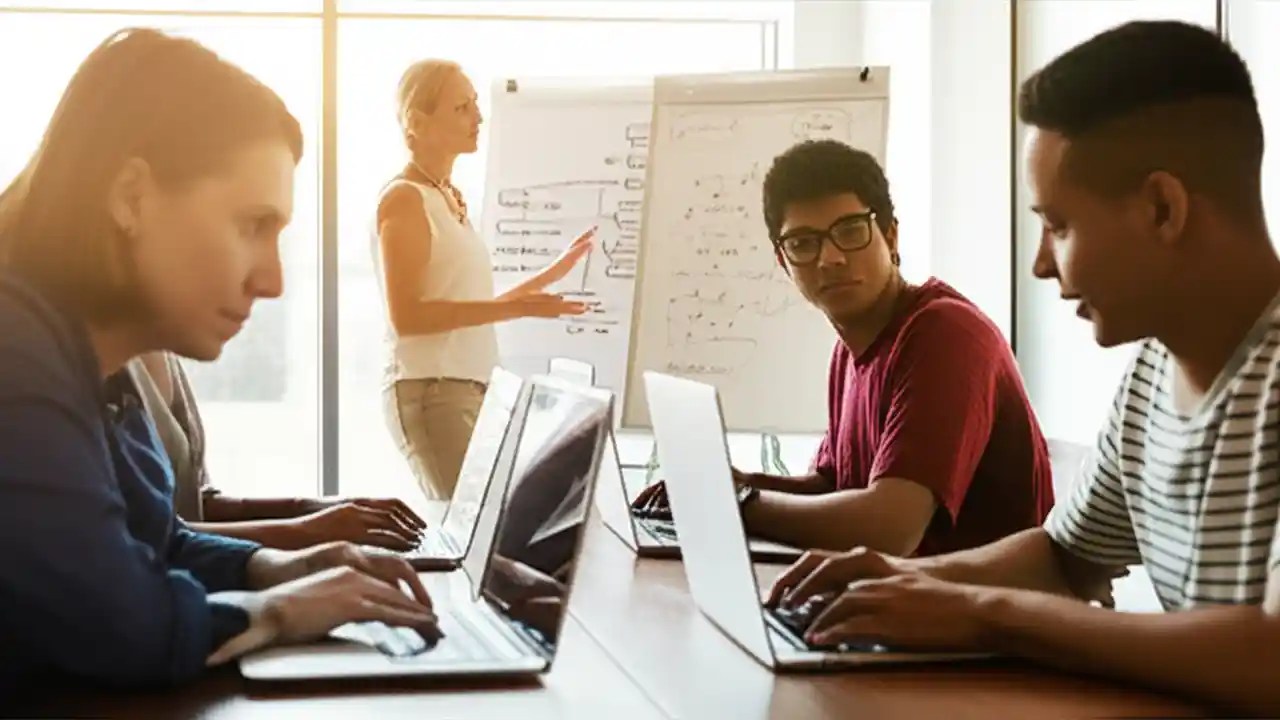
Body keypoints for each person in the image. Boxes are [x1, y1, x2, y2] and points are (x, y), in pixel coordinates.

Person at [764, 21, 1280, 716]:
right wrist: (900, 580)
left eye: (1059, 226)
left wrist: (982, 612)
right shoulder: (1153, 372)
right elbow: (1064, 557)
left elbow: (1269, 653)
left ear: (1163, 208)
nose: (1042, 263)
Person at [0, 28, 437, 691]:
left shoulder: (96, 361)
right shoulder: (15, 348)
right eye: (252, 226)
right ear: (131, 197)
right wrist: (285, 610)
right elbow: (119, 625)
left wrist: (278, 567)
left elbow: (157, 542)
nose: (273, 281)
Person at [636, 140, 1054, 558]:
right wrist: (727, 482)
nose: (829, 259)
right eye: (802, 243)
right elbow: (830, 488)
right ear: (783, 262)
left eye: (850, 232)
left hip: (982, 617)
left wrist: (733, 502)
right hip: (896, 606)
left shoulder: (947, 334)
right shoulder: (849, 353)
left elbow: (890, 528)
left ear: (890, 236)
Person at [375, 59, 594, 501]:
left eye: (475, 105)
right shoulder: (404, 199)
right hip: (432, 393)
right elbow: (410, 317)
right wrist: (518, 306)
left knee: (493, 526)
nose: (478, 117)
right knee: (475, 535)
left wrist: (551, 275)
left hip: (467, 390)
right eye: (461, 108)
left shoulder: (447, 199)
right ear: (417, 122)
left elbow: (466, 307)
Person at [125, 351, 428, 551]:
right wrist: (307, 533)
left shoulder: (162, 352)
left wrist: (315, 508)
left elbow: (192, 501)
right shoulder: (105, 376)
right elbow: (151, 538)